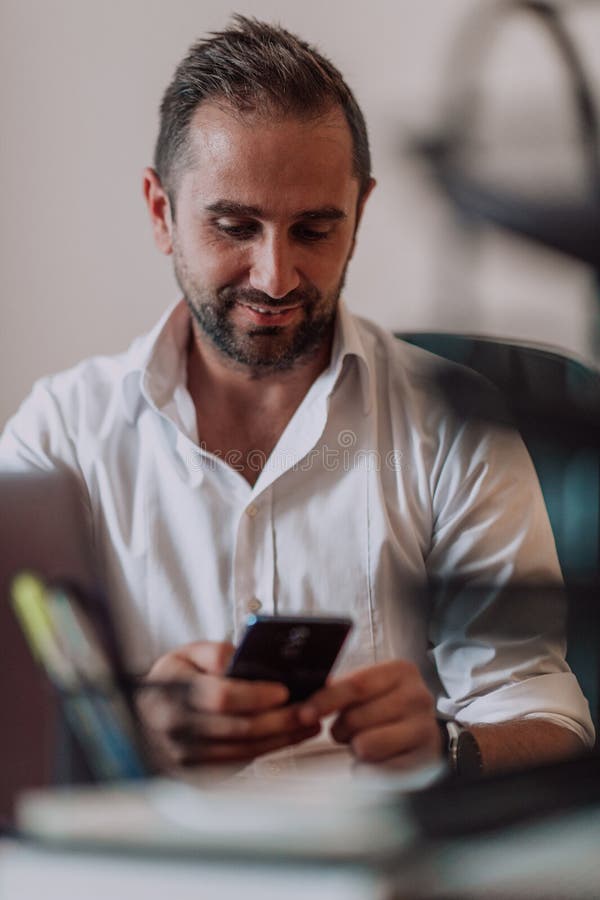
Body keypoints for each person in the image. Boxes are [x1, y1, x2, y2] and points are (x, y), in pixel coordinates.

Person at [0, 16, 593, 777]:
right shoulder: (60, 435)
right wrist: (129, 727)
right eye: (234, 227)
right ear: (161, 214)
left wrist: (449, 750)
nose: (275, 277)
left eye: (314, 230)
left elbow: (548, 717)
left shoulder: (455, 423)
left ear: (361, 212)